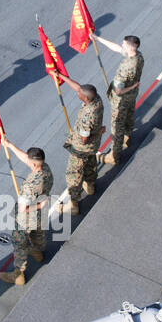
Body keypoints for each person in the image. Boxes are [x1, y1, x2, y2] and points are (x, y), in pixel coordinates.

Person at [0, 140, 54, 285]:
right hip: (40, 216)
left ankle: (18, 275)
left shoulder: (29, 187)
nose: (28, 162)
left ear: (34, 164)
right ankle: (37, 252)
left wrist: (39, 206)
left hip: (27, 217)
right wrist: (10, 146)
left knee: (19, 243)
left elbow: (23, 209)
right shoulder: (45, 169)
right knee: (38, 234)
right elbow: (27, 159)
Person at [53, 73, 105, 216]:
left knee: (73, 176)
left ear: (86, 99)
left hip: (81, 149)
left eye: (80, 95)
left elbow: (84, 139)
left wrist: (99, 132)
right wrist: (61, 76)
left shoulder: (88, 116)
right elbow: (79, 88)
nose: (78, 94)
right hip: (93, 147)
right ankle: (90, 186)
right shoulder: (97, 99)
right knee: (90, 165)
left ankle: (74, 204)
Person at [93, 32, 143, 164]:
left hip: (121, 100)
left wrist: (130, 88)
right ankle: (127, 136)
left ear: (131, 47)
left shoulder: (127, 67)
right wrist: (97, 38)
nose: (122, 45)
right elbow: (116, 48)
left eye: (124, 44)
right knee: (129, 116)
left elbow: (119, 91)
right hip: (131, 96)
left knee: (116, 127)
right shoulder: (138, 56)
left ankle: (113, 156)